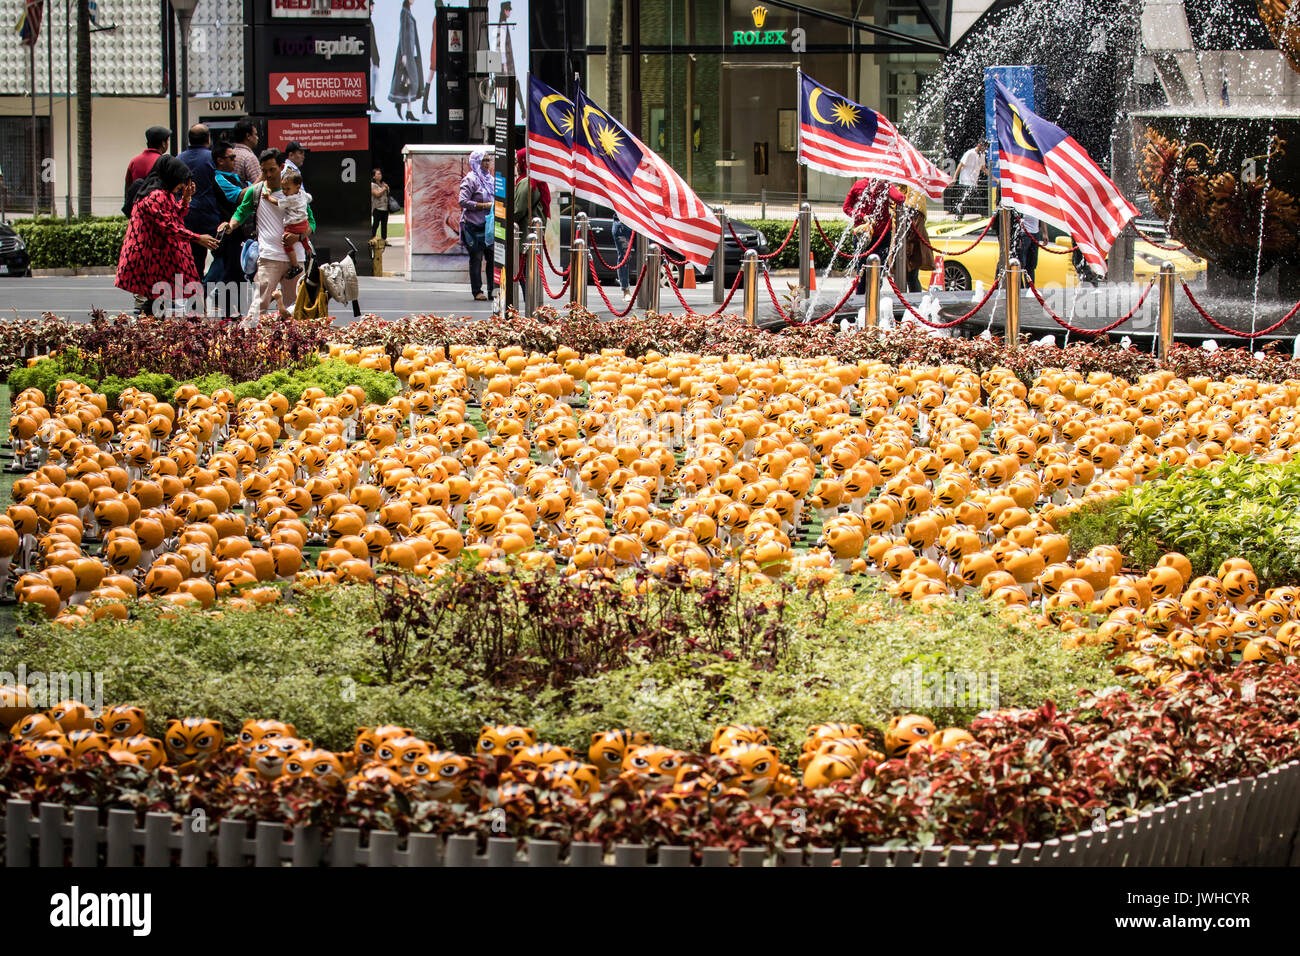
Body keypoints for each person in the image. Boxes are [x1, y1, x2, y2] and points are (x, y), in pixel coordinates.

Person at [115, 156, 219, 315]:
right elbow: (169, 226)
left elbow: (174, 216)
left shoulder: (164, 193)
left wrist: (185, 199)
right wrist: (197, 238)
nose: (182, 185)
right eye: (180, 181)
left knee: (157, 300)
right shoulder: (156, 195)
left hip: (155, 255)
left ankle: (149, 331)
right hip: (147, 256)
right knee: (155, 300)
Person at [222, 149, 315, 321]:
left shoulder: (296, 193)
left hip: (296, 260)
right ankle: (247, 344)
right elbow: (241, 212)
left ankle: (293, 346)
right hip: (268, 257)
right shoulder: (256, 191)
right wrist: (230, 225)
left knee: (295, 311)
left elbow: (312, 223)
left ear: (281, 167)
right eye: (263, 170)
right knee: (257, 308)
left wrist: (300, 237)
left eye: (272, 170)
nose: (267, 175)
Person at [207, 141, 248, 315]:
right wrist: (262, 181)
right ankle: (227, 312)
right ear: (220, 160)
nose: (234, 161)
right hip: (229, 233)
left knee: (239, 273)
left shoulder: (235, 177)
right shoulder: (219, 178)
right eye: (231, 157)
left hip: (240, 233)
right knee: (231, 272)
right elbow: (238, 197)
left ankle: (238, 311)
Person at [177, 124, 219, 282]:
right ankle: (206, 287)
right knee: (222, 256)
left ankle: (195, 292)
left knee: (194, 260)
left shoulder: (179, 158)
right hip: (210, 216)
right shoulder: (212, 158)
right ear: (208, 139)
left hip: (186, 216)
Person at [512, 148, 550, 303]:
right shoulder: (533, 180)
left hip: (525, 238)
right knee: (529, 274)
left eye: (517, 161)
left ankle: (532, 308)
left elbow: (518, 209)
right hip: (531, 236)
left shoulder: (527, 182)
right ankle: (533, 307)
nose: (515, 165)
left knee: (526, 275)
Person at [459, 148, 495, 301]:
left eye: (488, 160)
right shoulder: (471, 179)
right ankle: (477, 291)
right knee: (476, 258)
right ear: (476, 162)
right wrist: (484, 206)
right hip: (474, 226)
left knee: (492, 258)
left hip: (489, 226)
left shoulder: (491, 179)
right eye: (484, 161)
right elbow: (462, 201)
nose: (487, 164)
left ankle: (493, 290)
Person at [263, 168, 312, 278]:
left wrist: (268, 197)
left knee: (286, 243)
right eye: (283, 188)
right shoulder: (303, 194)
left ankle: (295, 265)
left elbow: (277, 202)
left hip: (293, 226)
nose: (284, 191)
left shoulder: (290, 199)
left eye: (287, 189)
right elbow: (310, 198)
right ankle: (308, 250)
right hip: (304, 224)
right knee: (303, 237)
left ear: (298, 187)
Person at [389, 0, 424, 122]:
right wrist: (403, 54)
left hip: (411, 52)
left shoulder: (408, 12)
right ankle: (401, 105)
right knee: (408, 80)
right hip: (406, 53)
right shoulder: (404, 12)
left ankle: (408, 111)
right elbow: (402, 34)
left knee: (412, 82)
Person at [125, 126, 171, 195]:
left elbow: (128, 187)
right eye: (167, 140)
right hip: (156, 204)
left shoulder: (134, 161)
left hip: (136, 203)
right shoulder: (165, 162)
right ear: (163, 144)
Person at [955, 141, 987, 216]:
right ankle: (983, 214)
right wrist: (955, 178)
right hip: (965, 180)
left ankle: (959, 215)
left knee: (967, 199)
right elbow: (960, 165)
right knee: (972, 199)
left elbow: (984, 169)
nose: (984, 149)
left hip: (973, 181)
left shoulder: (982, 155)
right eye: (983, 147)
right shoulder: (969, 153)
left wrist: (994, 178)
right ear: (979, 145)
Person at [230, 118, 262, 186]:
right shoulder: (249, 158)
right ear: (248, 136)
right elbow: (258, 186)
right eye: (255, 134)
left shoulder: (230, 154)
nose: (257, 138)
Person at [611, 213, 634, 302]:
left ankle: (646, 289)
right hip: (622, 222)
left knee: (648, 254)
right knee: (624, 257)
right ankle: (626, 290)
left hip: (640, 221)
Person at [1017, 211, 1044, 285]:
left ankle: (1030, 288)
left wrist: (1045, 233)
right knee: (1021, 264)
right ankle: (1020, 288)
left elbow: (1042, 216)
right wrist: (1018, 235)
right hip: (1024, 233)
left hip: (1035, 233)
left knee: (1031, 265)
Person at [371, 168, 392, 239]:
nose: (380, 175)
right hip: (377, 208)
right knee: (376, 225)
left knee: (384, 226)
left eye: (380, 174)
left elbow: (388, 192)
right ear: (374, 176)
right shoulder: (372, 185)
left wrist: (387, 188)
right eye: (378, 174)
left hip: (385, 208)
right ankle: (372, 239)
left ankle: (384, 240)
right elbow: (377, 194)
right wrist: (384, 188)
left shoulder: (383, 184)